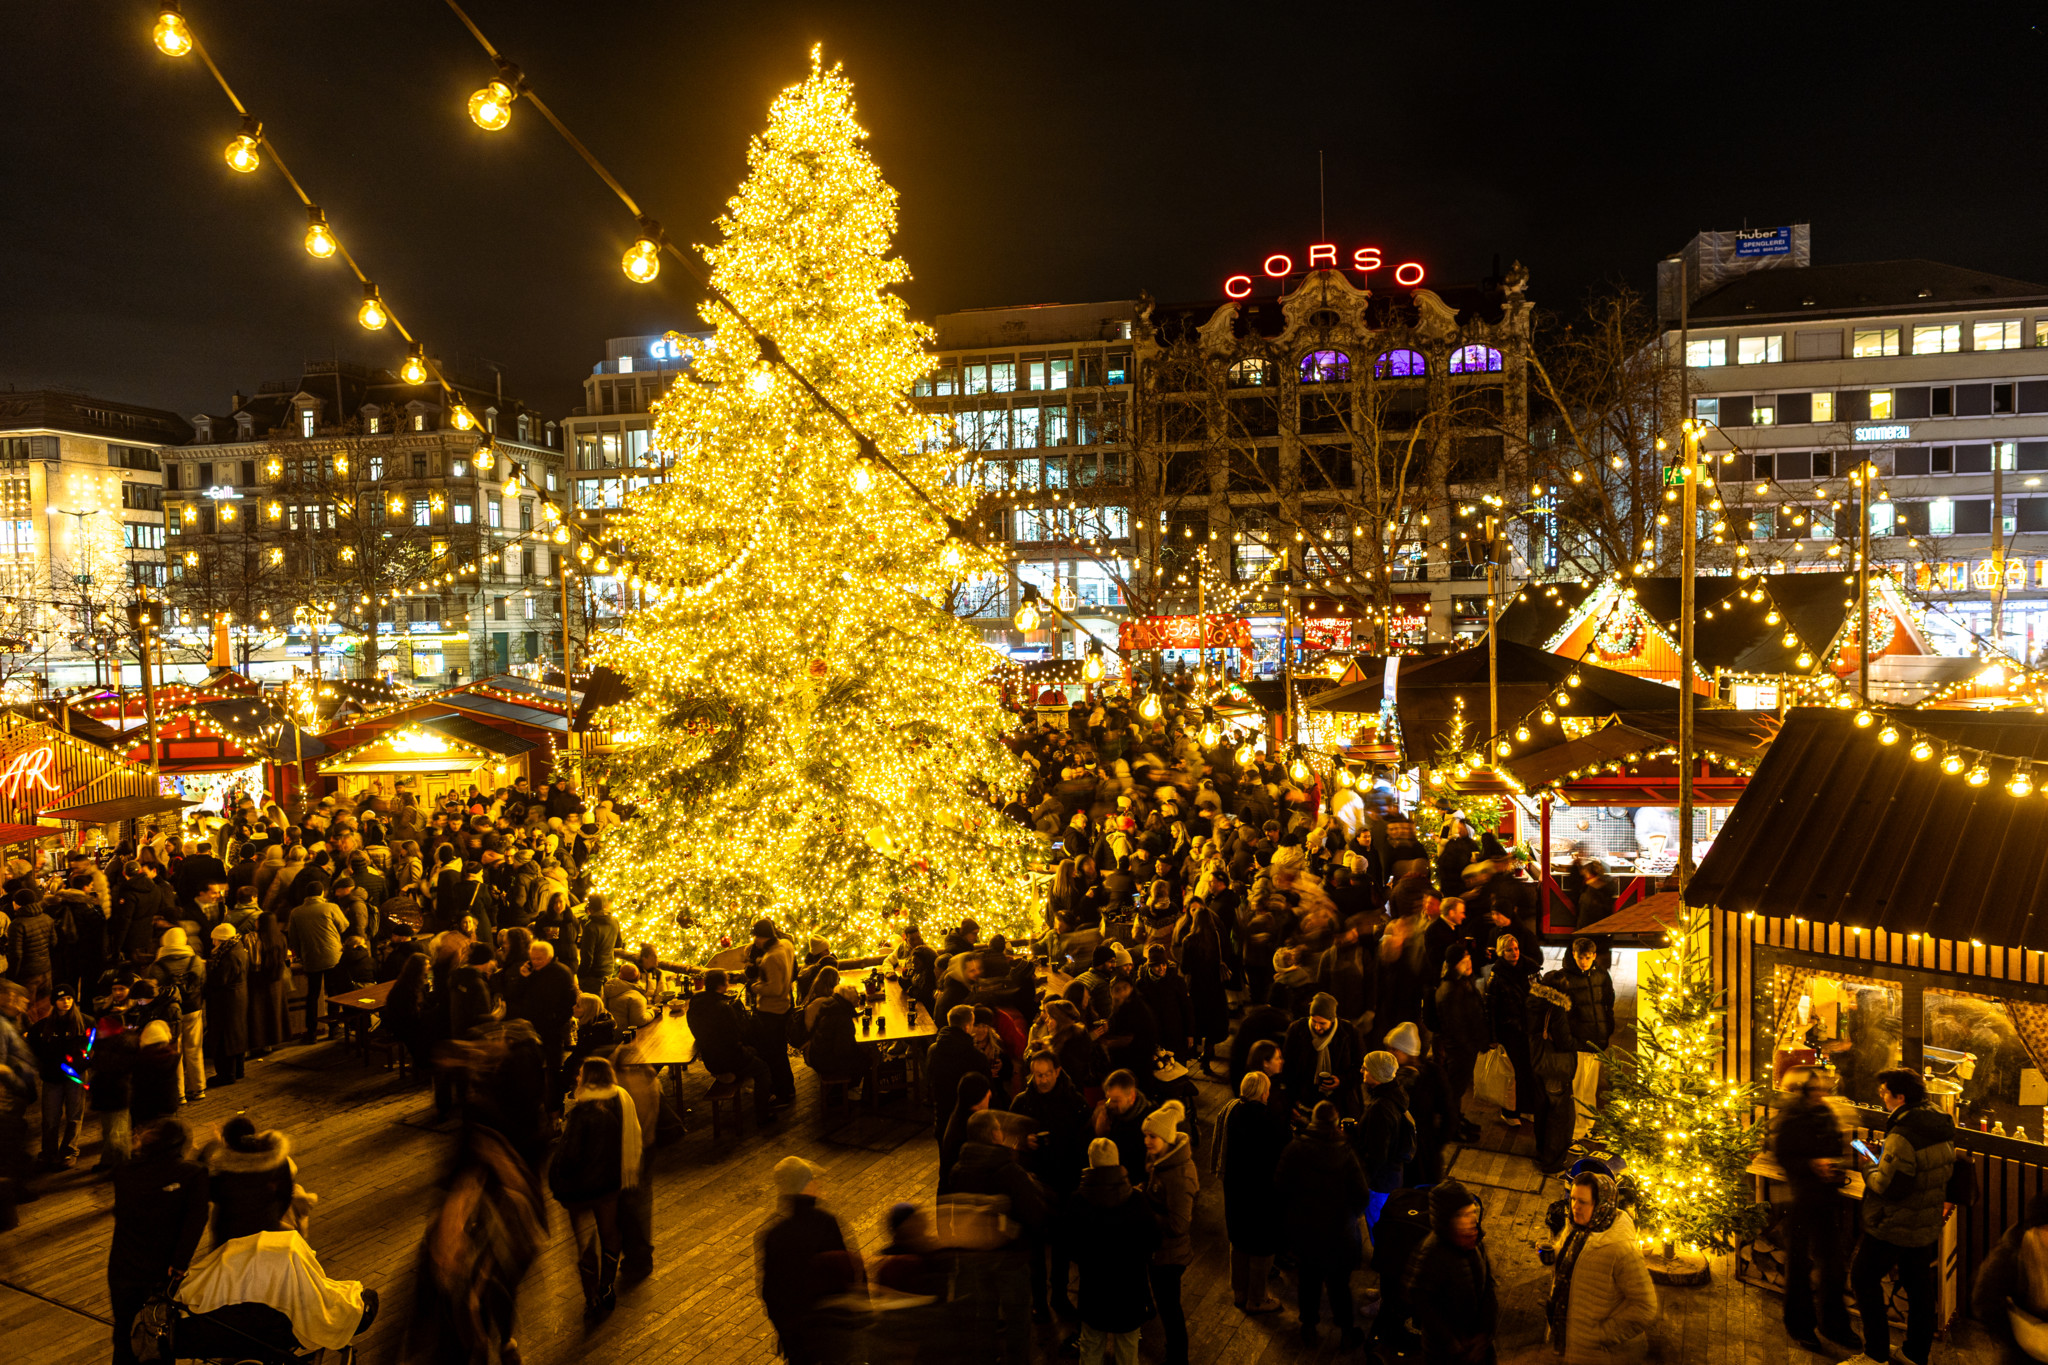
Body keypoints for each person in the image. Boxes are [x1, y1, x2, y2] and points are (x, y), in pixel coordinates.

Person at [1852, 1068, 1960, 1365]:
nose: (1882, 1098)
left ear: (1899, 1097)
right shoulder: (1937, 1120)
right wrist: (1886, 1157)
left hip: (1894, 1223)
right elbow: (1922, 1169)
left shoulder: (1903, 1134)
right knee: (1918, 1288)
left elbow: (1890, 1188)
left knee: (1862, 1278)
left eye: (1884, 1093)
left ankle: (1874, 1354)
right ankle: (1915, 1355)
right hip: (1925, 1221)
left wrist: (1868, 1165)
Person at [108, 1119, 210, 1365]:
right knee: (159, 1329)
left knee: (124, 1330)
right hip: (163, 1267)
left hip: (124, 1262)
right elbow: (195, 1221)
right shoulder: (193, 1174)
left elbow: (122, 1212)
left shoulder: (124, 1171)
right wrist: (180, 1262)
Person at [948, 1108, 1047, 1363]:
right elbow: (1032, 1214)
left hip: (977, 1256)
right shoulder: (1008, 1171)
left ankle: (987, 1357)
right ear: (995, 1135)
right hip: (1010, 1258)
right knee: (1017, 1317)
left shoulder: (959, 1169)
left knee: (985, 1313)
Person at [1771, 1069, 1860, 1353]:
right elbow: (1783, 1157)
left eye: (1825, 1089)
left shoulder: (1828, 1114)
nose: (1822, 1094)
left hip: (1828, 1200)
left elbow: (1840, 1149)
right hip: (1800, 1200)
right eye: (1816, 1090)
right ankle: (1800, 1326)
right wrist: (1811, 1166)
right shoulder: (1791, 1119)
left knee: (1834, 1266)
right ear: (1804, 1092)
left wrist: (1836, 1165)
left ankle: (1834, 1325)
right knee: (1798, 1266)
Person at [549, 1055, 640, 1315]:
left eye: (580, 1074)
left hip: (580, 1191)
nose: (577, 1078)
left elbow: (569, 1156)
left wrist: (556, 1176)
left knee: (586, 1244)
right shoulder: (621, 1099)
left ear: (590, 1078)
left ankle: (591, 1298)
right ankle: (607, 1288)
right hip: (609, 1185)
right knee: (610, 1234)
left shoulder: (581, 1112)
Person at [1276, 1097, 1369, 1347]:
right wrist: (1349, 1216)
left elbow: (1281, 1189)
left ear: (1314, 1121)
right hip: (1340, 1232)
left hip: (1306, 1232)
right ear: (1336, 1123)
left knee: (1308, 1280)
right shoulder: (1346, 1153)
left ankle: (1308, 1326)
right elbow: (1362, 1194)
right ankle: (1347, 1331)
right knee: (1339, 1285)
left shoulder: (1295, 1150)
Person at [1058, 1137, 1159, 1365]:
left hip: (1093, 1289)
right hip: (1130, 1290)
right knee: (1128, 1350)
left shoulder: (1077, 1201)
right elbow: (1153, 1240)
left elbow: (1067, 1244)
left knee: (1091, 1346)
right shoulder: (1136, 1200)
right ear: (1117, 1161)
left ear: (1090, 1163)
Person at [1546, 1169, 1656, 1364]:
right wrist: (1553, 1255)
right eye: (1573, 1199)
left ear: (1602, 1205)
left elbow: (1644, 1307)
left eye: (1583, 1202)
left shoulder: (1620, 1249)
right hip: (1570, 1342)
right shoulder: (1578, 1226)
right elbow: (1575, 1261)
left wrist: (1599, 1335)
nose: (1575, 1207)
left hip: (1598, 1355)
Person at [1011, 1047, 1089, 1324]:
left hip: (1065, 1184)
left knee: (1061, 1247)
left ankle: (1059, 1295)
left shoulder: (1074, 1103)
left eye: (1046, 1074)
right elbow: (1008, 1141)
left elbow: (1085, 1146)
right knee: (1034, 1250)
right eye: (1037, 1075)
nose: (1042, 1080)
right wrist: (1024, 1142)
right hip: (1034, 1186)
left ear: (1057, 1071)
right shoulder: (1022, 1103)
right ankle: (1039, 1301)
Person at [757, 1155, 850, 1365]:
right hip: (830, 1332)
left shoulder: (774, 1234)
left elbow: (770, 1292)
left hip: (796, 1336)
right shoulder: (825, 1223)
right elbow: (844, 1271)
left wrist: (786, 1334)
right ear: (808, 1185)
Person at [1214, 1070, 1288, 1314]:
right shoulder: (1269, 1122)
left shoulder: (1231, 1112)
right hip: (1262, 1193)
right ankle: (1257, 1298)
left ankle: (1239, 1292)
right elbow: (1283, 1155)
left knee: (1239, 1241)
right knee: (1262, 1247)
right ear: (1263, 1092)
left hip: (1235, 1189)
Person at [1408, 1179, 1498, 1365]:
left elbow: (1487, 1287)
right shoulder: (1432, 1254)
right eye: (1462, 1215)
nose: (1471, 1220)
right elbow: (1423, 1304)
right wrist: (1452, 1343)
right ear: (1446, 1220)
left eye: (1472, 1212)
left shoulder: (1475, 1242)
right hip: (1446, 1355)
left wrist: (1484, 1332)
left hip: (1478, 1347)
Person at [1142, 1098, 1196, 1365]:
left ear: (1165, 1138)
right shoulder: (1159, 1162)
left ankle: (1178, 1357)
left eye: (1152, 1137)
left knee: (1171, 1310)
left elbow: (1178, 1224)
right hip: (1158, 1250)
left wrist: (1144, 1210)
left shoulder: (1178, 1175)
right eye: (1146, 1136)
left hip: (1170, 1255)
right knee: (1166, 1307)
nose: (1147, 1142)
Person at [686, 970, 775, 1124]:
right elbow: (735, 1038)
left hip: (709, 1058)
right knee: (763, 1068)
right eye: (726, 981)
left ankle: (740, 1081)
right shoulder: (723, 1008)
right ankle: (763, 1115)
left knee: (754, 1054)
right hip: (727, 1059)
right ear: (722, 985)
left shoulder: (696, 1002)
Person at [1971, 1190, 2048, 1365]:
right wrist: (2017, 1334)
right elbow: (1982, 1299)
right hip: (2022, 1354)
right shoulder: (2011, 1254)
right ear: (2036, 1229)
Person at [203, 1115, 297, 1244]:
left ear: (228, 1142)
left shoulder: (225, 1171)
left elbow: (208, 1191)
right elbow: (286, 1194)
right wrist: (274, 1216)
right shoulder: (276, 1160)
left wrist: (208, 1150)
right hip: (266, 1225)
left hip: (230, 1233)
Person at [28, 985, 89, 1169]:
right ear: (55, 1002)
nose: (66, 1002)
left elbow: (91, 1048)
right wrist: (45, 1065)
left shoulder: (85, 1023)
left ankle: (69, 1151)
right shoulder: (42, 1027)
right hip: (52, 1078)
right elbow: (34, 1047)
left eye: (69, 998)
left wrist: (82, 1064)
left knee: (74, 1115)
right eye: (62, 999)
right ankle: (48, 1153)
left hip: (75, 1077)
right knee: (50, 1117)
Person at [1433, 941, 1489, 1142]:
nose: (1468, 963)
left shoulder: (1463, 982)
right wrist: (1471, 1045)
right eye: (1463, 960)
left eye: (1469, 958)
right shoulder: (1450, 990)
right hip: (1459, 1050)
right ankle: (1451, 1127)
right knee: (1454, 1090)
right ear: (1453, 964)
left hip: (1466, 1048)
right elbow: (1456, 1027)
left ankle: (1456, 1118)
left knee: (1457, 1089)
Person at [1484, 932, 1540, 1127]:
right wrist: (1492, 1037)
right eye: (1509, 950)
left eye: (1515, 949)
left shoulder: (1531, 968)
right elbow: (1490, 1009)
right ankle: (1509, 1111)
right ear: (1501, 953)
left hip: (1529, 1028)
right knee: (1512, 1074)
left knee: (1529, 1070)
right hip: (1509, 1031)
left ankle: (1527, 1108)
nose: (1514, 953)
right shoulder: (1497, 976)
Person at [146, 926, 206, 1102]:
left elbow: (153, 989)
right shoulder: (195, 960)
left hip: (170, 1011)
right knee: (194, 1048)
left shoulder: (158, 965)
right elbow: (202, 981)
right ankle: (198, 1088)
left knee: (175, 1050)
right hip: (194, 1008)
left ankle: (178, 1093)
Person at [1354, 1051, 1414, 1226]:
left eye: (1365, 1068)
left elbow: (1377, 1152)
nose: (1361, 1071)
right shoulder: (1394, 1095)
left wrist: (1365, 1181)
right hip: (1392, 1177)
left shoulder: (1380, 1108)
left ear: (1377, 1074)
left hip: (1380, 1184)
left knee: (1378, 1227)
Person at [1283, 991, 1364, 1121]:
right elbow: (1288, 1068)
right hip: (1306, 1101)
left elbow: (1360, 1068)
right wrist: (1291, 1100)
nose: (1317, 1027)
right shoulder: (1297, 1030)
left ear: (1332, 1020)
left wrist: (1341, 1081)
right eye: (1314, 1021)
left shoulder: (1350, 1033)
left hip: (1340, 1103)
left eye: (1322, 1023)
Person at [286, 880, 349, 1043]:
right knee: (333, 992)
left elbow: (292, 938)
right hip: (333, 956)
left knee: (312, 995)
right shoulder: (330, 907)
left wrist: (300, 955)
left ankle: (311, 1032)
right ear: (322, 893)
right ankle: (334, 1028)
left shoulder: (296, 913)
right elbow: (344, 925)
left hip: (310, 956)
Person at [747, 917, 798, 1109]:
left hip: (771, 1012)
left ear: (761, 937)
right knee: (780, 1053)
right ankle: (788, 1088)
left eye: (755, 937)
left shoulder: (771, 958)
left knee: (774, 1055)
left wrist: (755, 987)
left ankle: (783, 1094)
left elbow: (775, 988)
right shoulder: (785, 945)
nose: (754, 941)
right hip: (785, 1007)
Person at [925, 1004, 992, 1141]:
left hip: (941, 1115)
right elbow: (986, 1087)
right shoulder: (976, 1056)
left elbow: (929, 1079)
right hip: (966, 1119)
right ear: (967, 1027)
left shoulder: (933, 1050)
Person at [202, 923, 249, 1087]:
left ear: (221, 940)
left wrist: (207, 971)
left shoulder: (229, 956)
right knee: (236, 1034)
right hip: (236, 998)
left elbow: (219, 980)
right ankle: (238, 1070)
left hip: (226, 1001)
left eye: (215, 940)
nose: (213, 943)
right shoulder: (237, 949)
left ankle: (226, 1074)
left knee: (224, 1038)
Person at [938, 1072, 994, 1192]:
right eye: (986, 1091)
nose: (990, 1094)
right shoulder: (971, 1129)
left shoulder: (960, 1116)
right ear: (977, 1100)